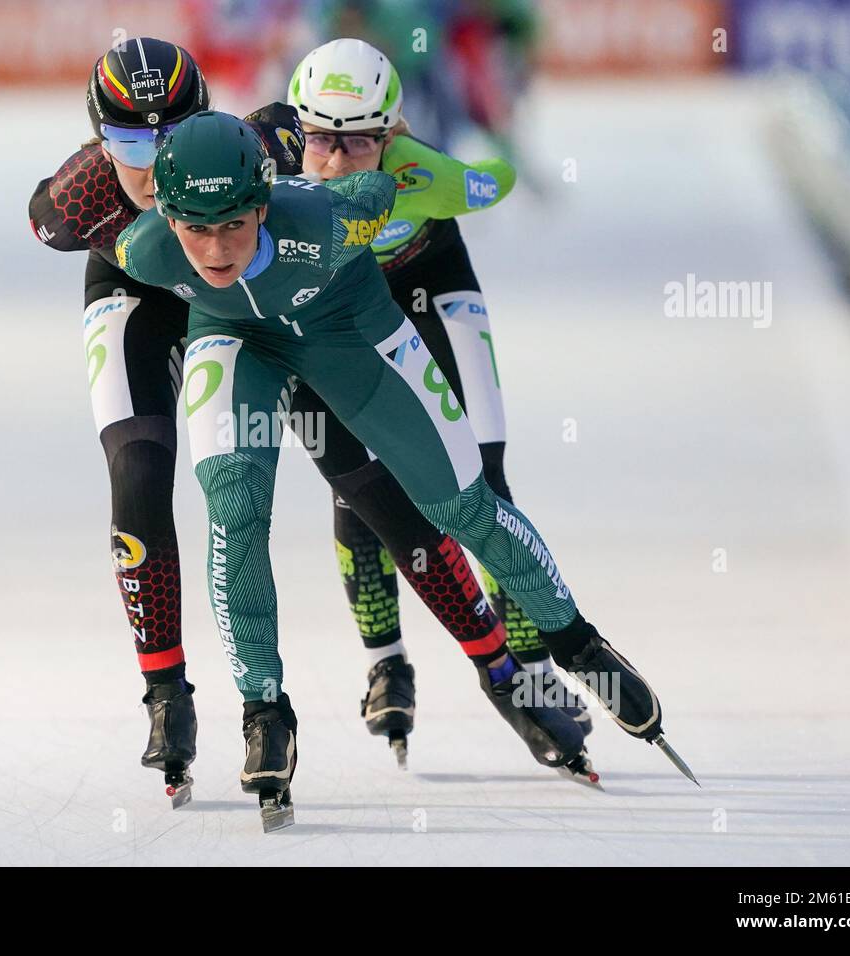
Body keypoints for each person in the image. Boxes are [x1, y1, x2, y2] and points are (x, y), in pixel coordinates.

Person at [27, 38, 581, 804]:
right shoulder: (76, 197)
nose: (153, 165)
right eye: (127, 143)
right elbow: (48, 217)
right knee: (140, 470)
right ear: (97, 141)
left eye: (170, 136)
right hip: (142, 296)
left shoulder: (263, 141)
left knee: (376, 489)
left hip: (249, 312)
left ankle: (501, 672)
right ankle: (167, 696)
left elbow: (367, 177)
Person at [114, 110, 673, 826]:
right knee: (235, 509)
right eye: (196, 227)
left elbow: (388, 187)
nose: (215, 248)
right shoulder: (147, 249)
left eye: (233, 224)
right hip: (239, 345)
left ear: (263, 203)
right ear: (169, 214)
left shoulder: (332, 218)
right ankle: (264, 708)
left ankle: (579, 645)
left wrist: (408, 147)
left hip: (351, 340)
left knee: (463, 506)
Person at [284, 37, 590, 758]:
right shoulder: (272, 169)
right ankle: (386, 666)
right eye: (320, 139)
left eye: (358, 142)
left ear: (391, 135)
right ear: (296, 129)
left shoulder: (427, 174)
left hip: (431, 285)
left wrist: (497, 128)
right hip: (344, 313)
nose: (333, 160)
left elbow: (499, 177)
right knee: (358, 489)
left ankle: (537, 673)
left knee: (486, 482)